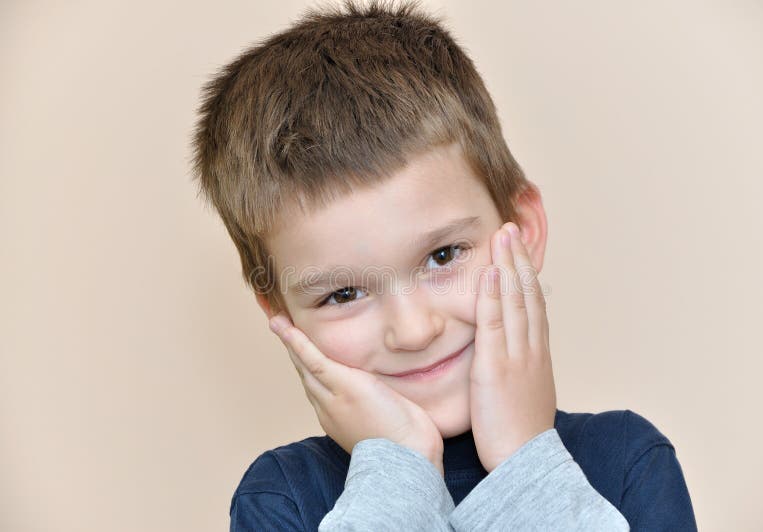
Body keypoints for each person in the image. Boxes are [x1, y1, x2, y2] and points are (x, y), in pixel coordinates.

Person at [190, 1, 697, 530]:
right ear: (281, 314)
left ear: (522, 229)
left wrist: (524, 468)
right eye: (343, 294)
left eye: (442, 255)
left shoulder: (628, 464)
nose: (414, 331)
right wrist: (399, 473)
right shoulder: (281, 499)